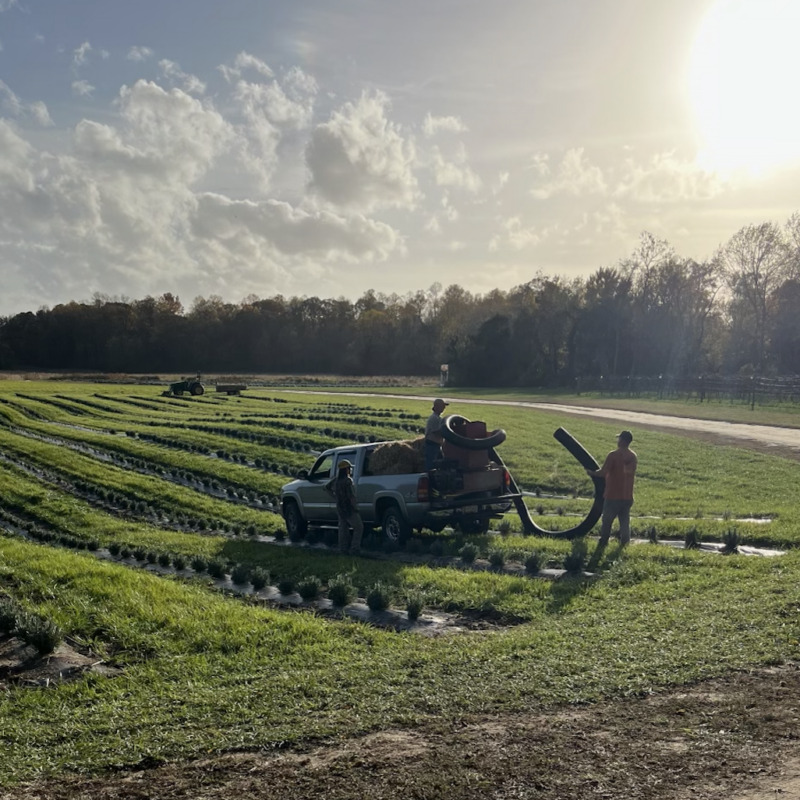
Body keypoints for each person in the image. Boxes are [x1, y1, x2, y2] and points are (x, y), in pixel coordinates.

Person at [586, 430, 638, 546]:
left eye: (619, 438)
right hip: (627, 496)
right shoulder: (633, 456)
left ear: (623, 441)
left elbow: (603, 472)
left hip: (613, 495)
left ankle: (603, 542)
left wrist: (592, 473)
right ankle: (625, 543)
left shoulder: (613, 455)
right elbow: (629, 471)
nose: (617, 440)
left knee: (607, 521)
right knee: (624, 522)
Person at [325, 460, 363, 555]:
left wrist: (336, 497)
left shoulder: (336, 480)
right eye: (349, 468)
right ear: (345, 469)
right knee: (359, 527)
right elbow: (351, 496)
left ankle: (343, 549)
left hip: (340, 508)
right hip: (349, 508)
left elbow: (326, 488)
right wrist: (355, 507)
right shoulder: (348, 481)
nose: (349, 470)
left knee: (343, 529)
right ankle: (354, 549)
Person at [424, 398, 449, 470]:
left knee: (441, 463)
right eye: (442, 406)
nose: (444, 408)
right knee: (431, 464)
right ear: (437, 406)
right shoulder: (434, 418)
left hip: (437, 444)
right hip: (432, 444)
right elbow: (437, 432)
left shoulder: (438, 418)